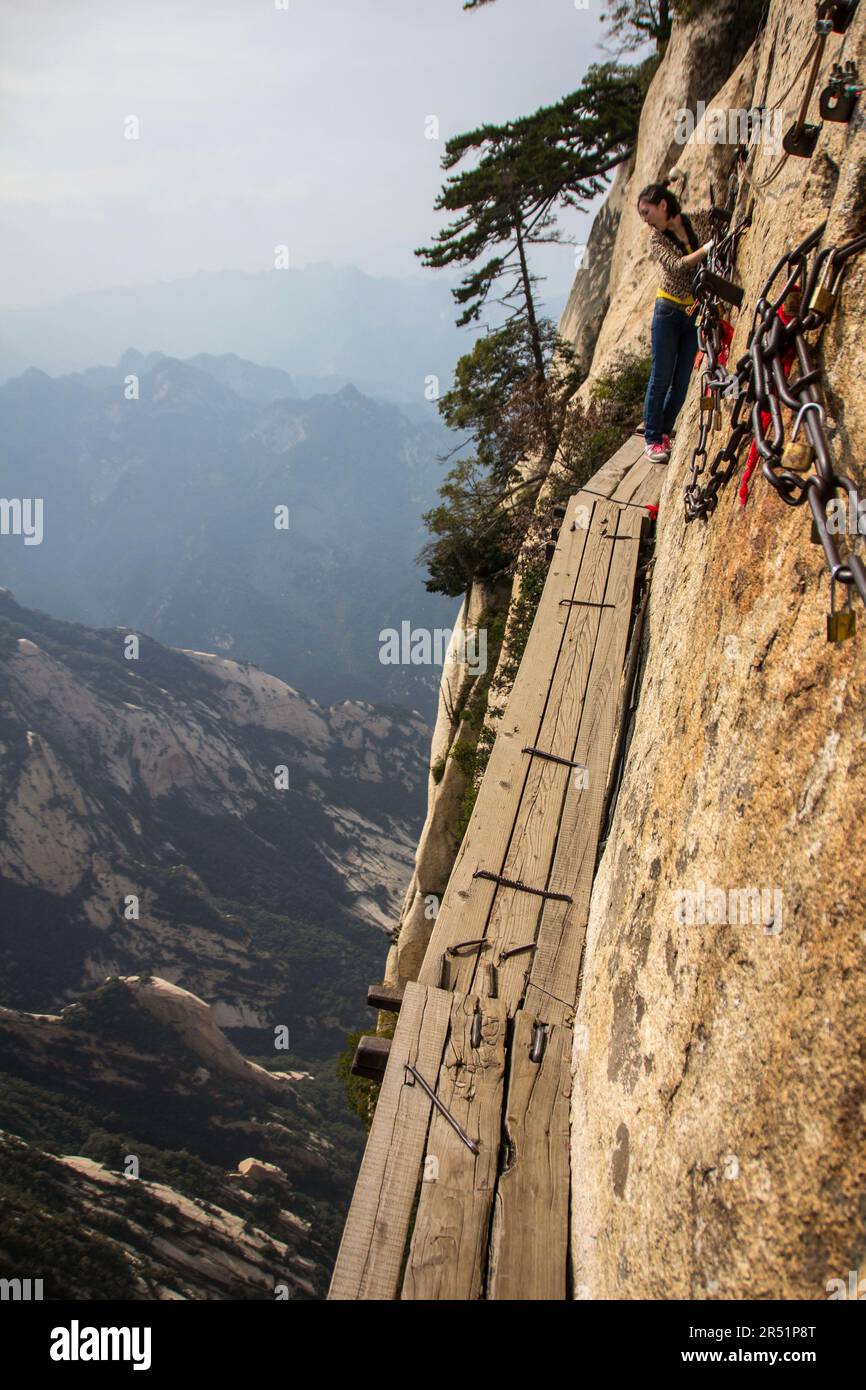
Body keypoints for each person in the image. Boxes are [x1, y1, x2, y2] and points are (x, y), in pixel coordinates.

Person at [636, 183, 713, 463]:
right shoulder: (656, 240)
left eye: (647, 212)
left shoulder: (694, 220)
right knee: (661, 377)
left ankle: (665, 430)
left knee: (681, 382)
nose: (645, 219)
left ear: (663, 205)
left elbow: (716, 216)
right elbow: (678, 265)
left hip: (692, 311)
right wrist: (706, 249)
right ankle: (652, 439)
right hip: (667, 310)